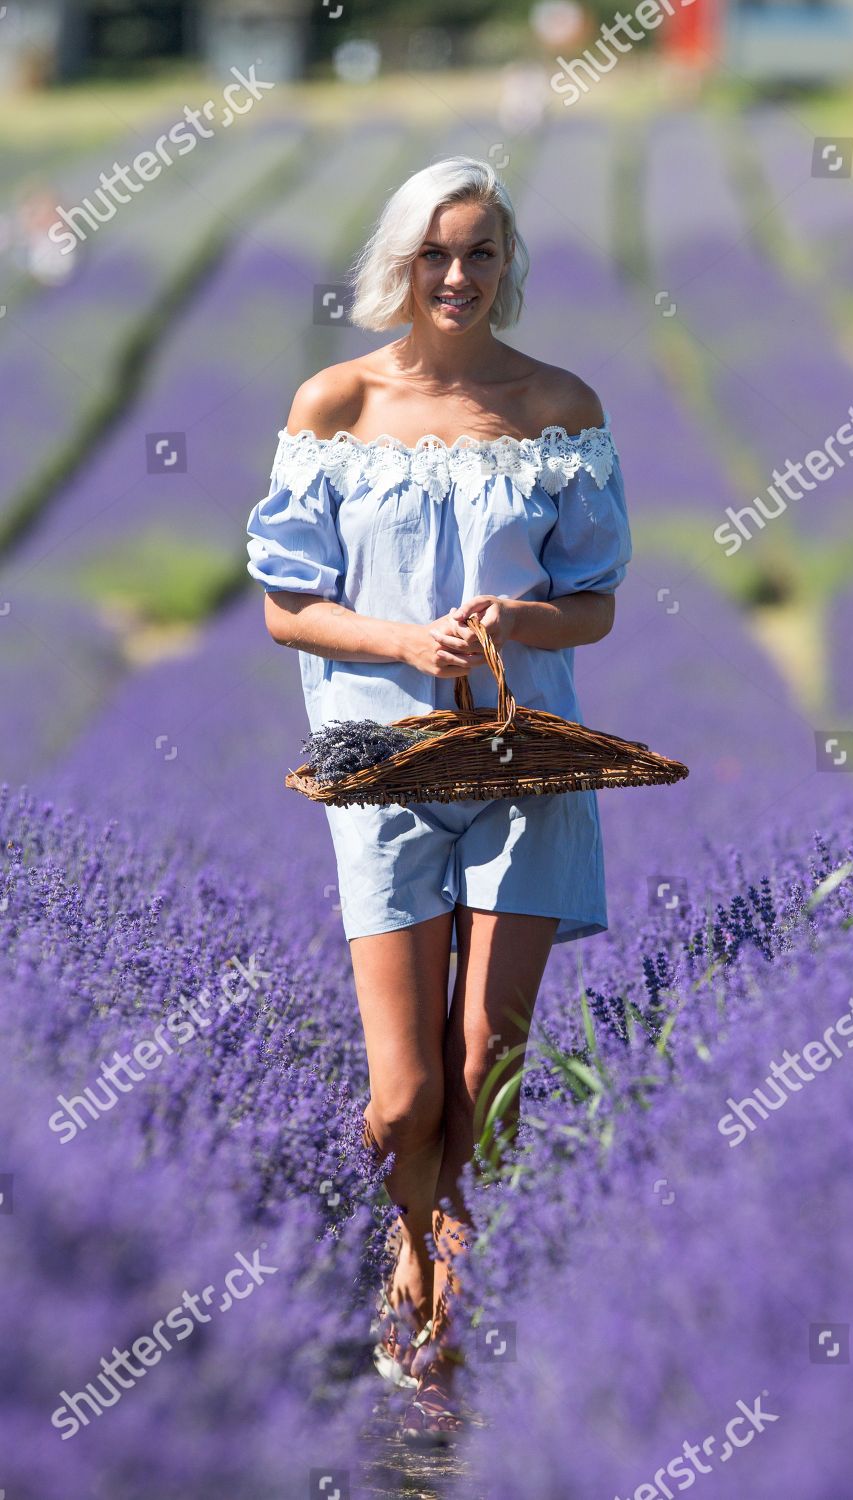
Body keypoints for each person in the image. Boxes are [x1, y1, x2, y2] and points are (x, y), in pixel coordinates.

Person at [245, 155, 632, 1443]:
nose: (457, 276)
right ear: (400, 263)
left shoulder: (558, 405)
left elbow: (596, 600)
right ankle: (398, 1250)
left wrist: (521, 618)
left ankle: (450, 1323)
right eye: (435, 253)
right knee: (406, 1096)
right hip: (382, 774)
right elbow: (286, 604)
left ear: (506, 263)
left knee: (488, 1069)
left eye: (479, 253)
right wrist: (406, 642)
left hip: (526, 767)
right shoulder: (338, 401)